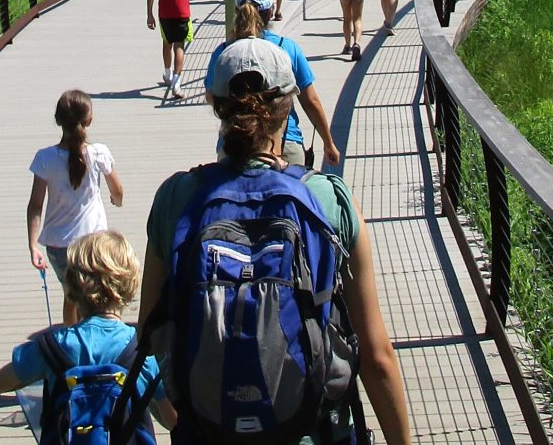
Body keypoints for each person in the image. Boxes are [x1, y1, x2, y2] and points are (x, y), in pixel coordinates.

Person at [139, 39, 411, 445]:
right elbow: (376, 356)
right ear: (289, 105)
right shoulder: (328, 199)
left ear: (214, 103)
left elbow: (150, 331)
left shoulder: (176, 198)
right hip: (310, 430)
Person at [0, 230, 178, 432]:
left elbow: (0, 383)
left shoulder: (52, 348)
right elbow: (172, 420)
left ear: (71, 287)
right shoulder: (141, 351)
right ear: (131, 284)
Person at [206, 0, 341, 168]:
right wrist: (328, 142)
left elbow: (212, 97)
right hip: (285, 143)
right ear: (270, 12)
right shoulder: (287, 48)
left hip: (233, 144)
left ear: (237, 11)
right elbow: (310, 101)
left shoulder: (223, 52)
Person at [26, 90, 124, 325]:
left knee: (71, 295)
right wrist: (116, 200)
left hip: (58, 245)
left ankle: (71, 339)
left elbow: (35, 206)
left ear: (58, 120)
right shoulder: (98, 152)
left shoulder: (45, 158)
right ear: (89, 120)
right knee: (95, 297)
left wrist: (33, 245)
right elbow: (118, 191)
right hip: (93, 243)